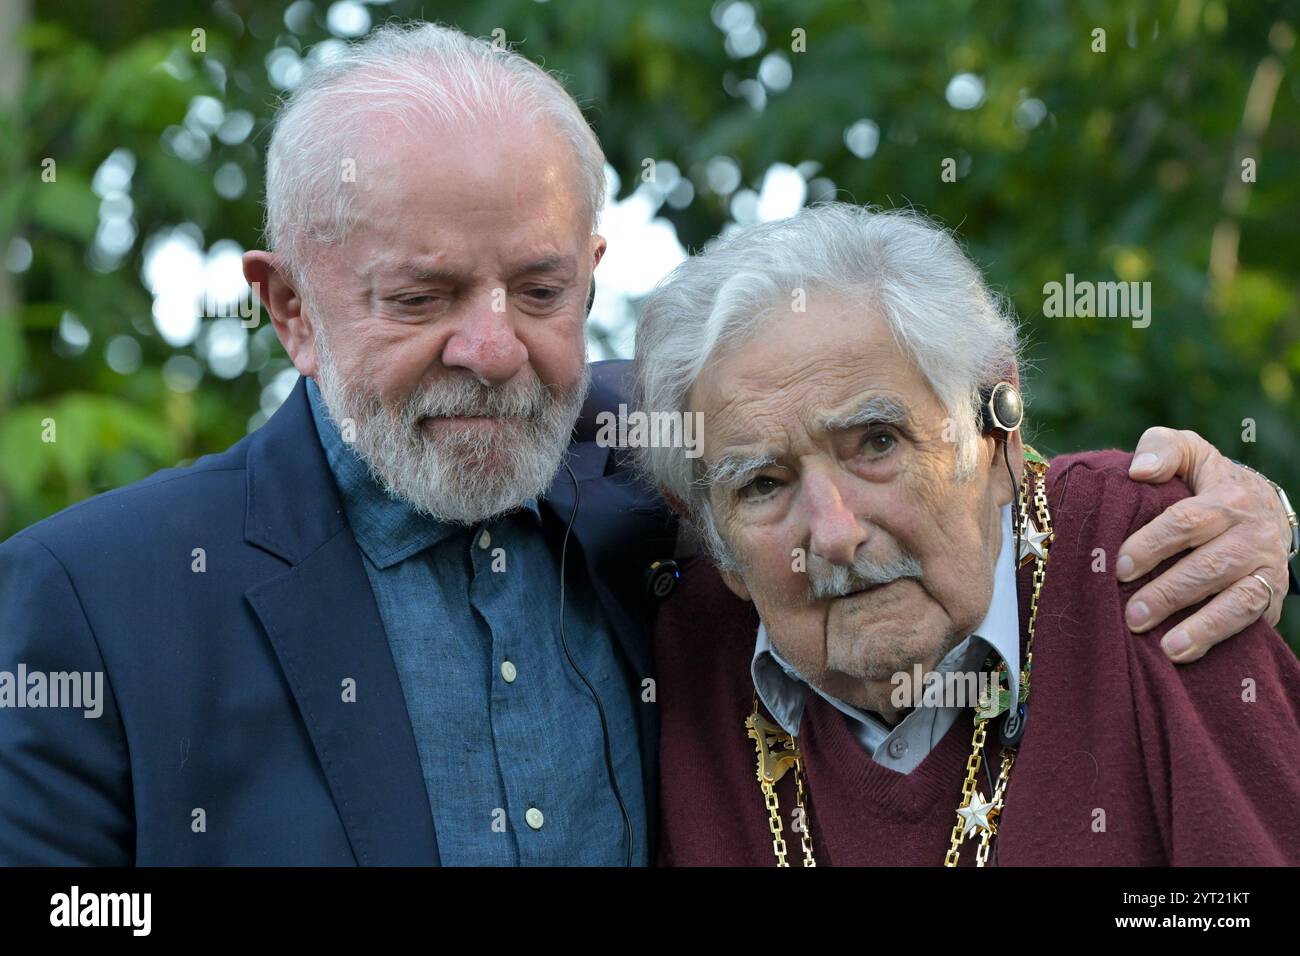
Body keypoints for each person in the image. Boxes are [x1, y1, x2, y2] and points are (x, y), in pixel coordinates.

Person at [0, 23, 1292, 866]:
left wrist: (1226, 505)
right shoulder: (99, 596)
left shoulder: (667, 465)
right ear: (288, 308)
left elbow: (923, 441)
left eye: (541, 289)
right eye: (420, 298)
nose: (493, 351)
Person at [636, 204, 1300, 865]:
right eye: (763, 485)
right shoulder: (678, 645)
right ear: (711, 534)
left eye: (876, 443)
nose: (834, 534)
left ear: (998, 432)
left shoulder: (1142, 553)